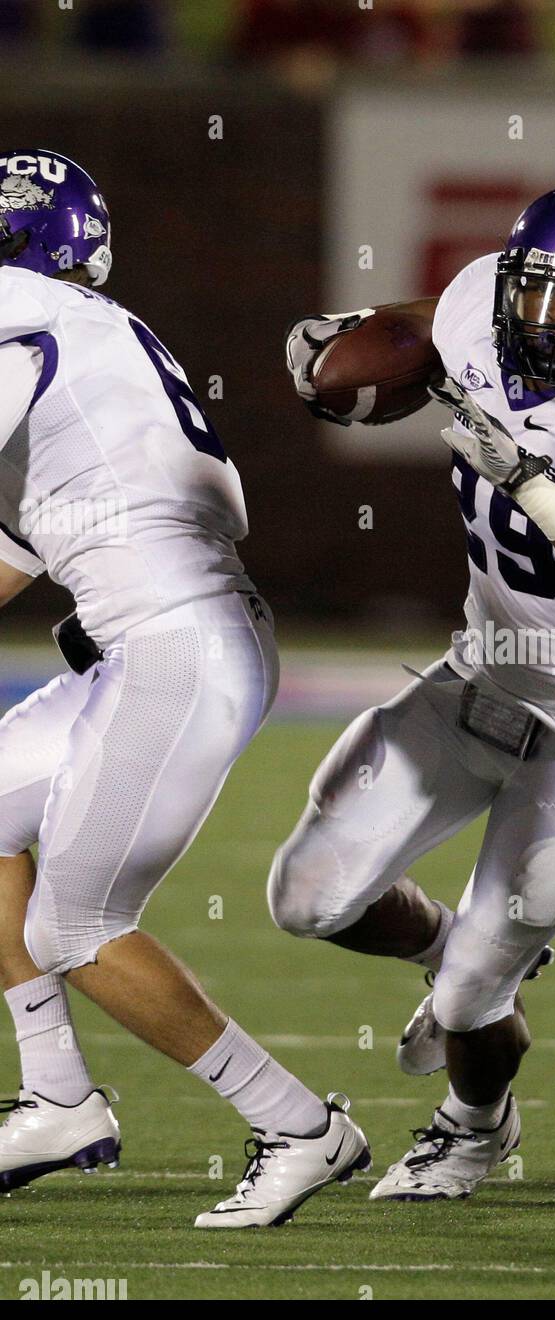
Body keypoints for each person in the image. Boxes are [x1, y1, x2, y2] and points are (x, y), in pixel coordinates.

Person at [273, 181, 555, 1200]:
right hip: (478, 677)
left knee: (477, 1001)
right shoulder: (485, 301)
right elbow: (421, 330)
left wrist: (529, 481)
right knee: (304, 897)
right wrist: (346, 347)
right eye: (536, 292)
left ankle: (473, 1127)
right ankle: (442, 945)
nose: (547, 318)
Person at [0, 147, 369, 1228]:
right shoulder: (92, 337)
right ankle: (59, 1098)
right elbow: (18, 553)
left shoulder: (21, 314)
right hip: (163, 639)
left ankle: (302, 1126)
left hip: (176, 647)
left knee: (80, 924)